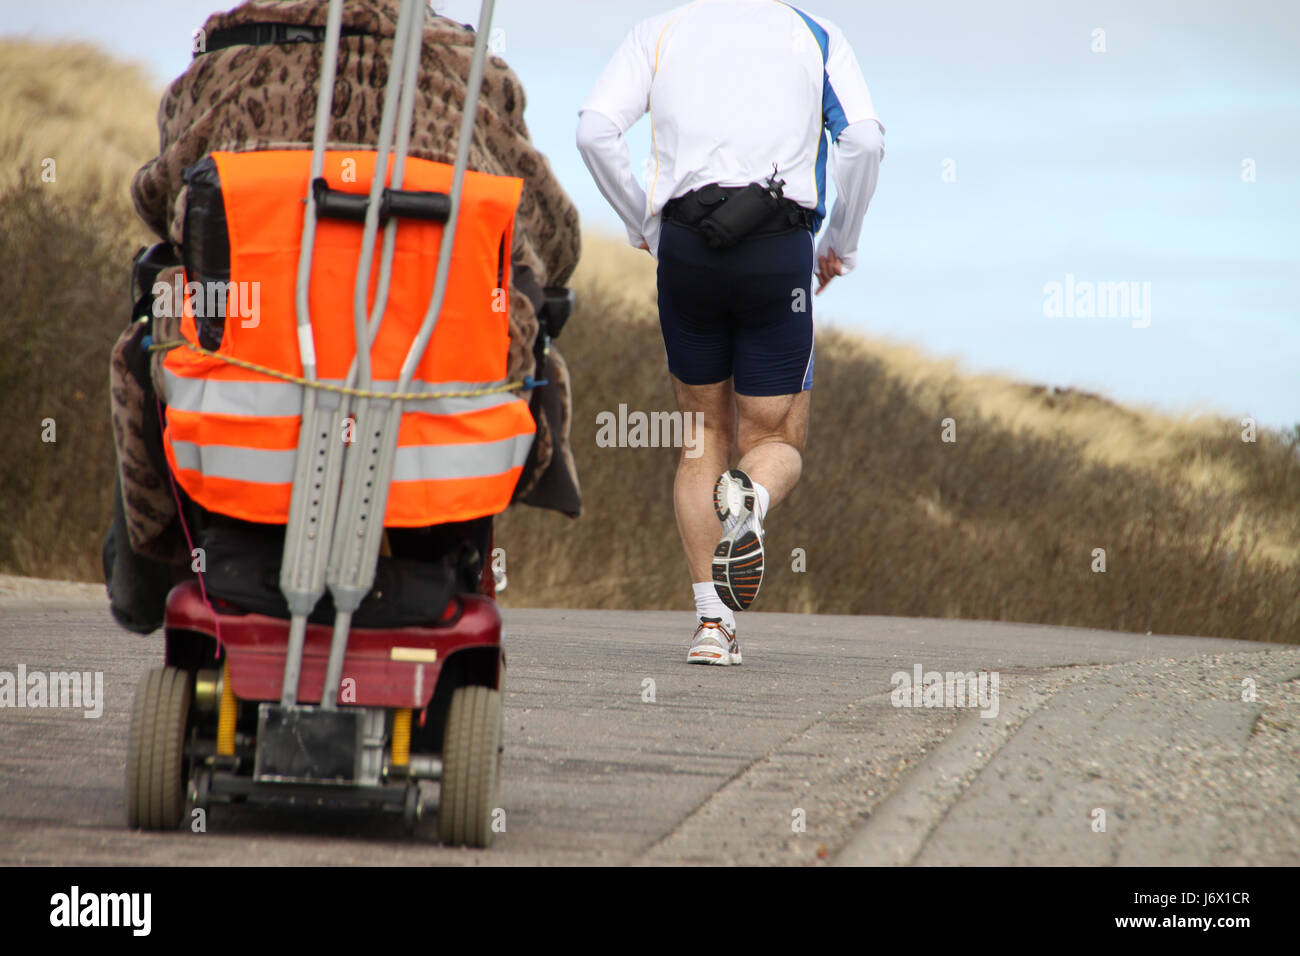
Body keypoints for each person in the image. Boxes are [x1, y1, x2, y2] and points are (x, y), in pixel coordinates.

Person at [105, 0, 582, 632]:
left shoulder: (224, 63)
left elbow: (161, 200)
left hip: (239, 408)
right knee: (522, 321)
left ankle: (147, 579)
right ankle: (445, 559)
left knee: (158, 310)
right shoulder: (475, 80)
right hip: (444, 412)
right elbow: (555, 238)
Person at [577, 0, 884, 665]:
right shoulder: (817, 33)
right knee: (775, 436)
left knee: (701, 436)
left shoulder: (657, 30)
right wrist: (839, 242)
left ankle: (712, 629)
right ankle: (753, 500)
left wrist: (645, 224)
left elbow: (595, 131)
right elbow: (863, 140)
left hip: (688, 244)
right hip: (777, 247)